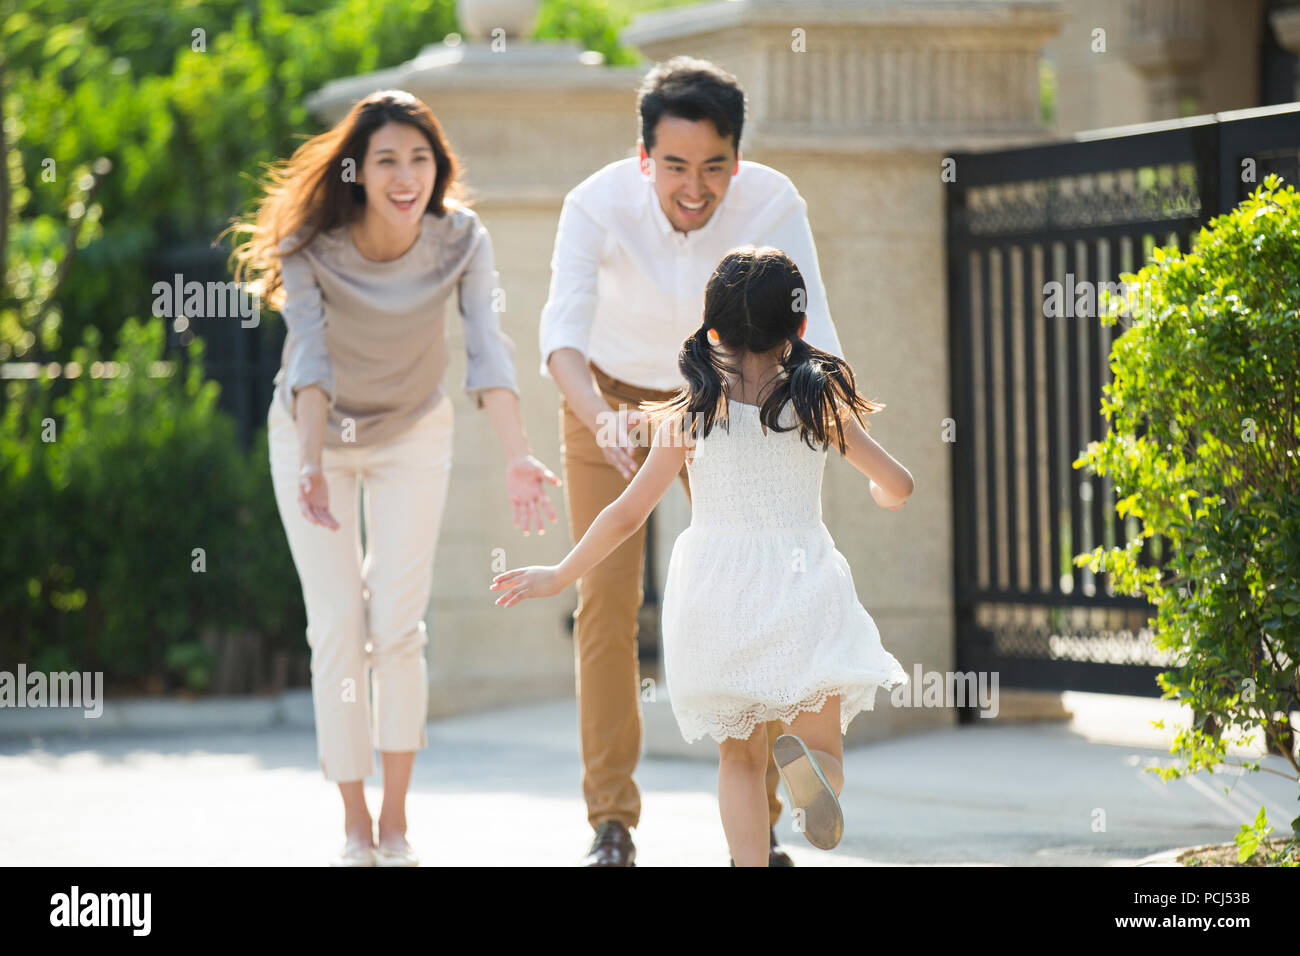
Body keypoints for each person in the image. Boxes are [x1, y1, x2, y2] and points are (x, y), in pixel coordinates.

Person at [225, 90, 560, 867]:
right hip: (314, 436)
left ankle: (398, 824)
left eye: (420, 159)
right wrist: (309, 460)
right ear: (359, 171)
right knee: (339, 625)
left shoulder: (461, 239)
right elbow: (307, 354)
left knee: (397, 628)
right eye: (387, 161)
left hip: (412, 431)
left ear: (438, 167)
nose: (406, 176)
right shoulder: (312, 242)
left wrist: (516, 452)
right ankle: (353, 826)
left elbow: (489, 348)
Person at [499, 244, 913, 866]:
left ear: (712, 328)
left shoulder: (692, 412)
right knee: (820, 738)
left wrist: (560, 574)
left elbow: (624, 514)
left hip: (716, 598)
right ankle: (815, 781)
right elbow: (899, 484)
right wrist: (883, 494)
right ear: (799, 327)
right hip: (802, 587)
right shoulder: (816, 400)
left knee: (738, 759)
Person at [539, 55, 849, 867]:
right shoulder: (595, 205)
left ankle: (764, 829)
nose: (694, 186)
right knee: (605, 602)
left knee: (768, 593)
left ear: (735, 160)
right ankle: (611, 821)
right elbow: (560, 336)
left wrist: (828, 423)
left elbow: (811, 324)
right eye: (674, 165)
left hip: (730, 397)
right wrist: (601, 417)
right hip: (604, 393)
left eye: (714, 166)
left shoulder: (772, 200)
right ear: (645, 158)